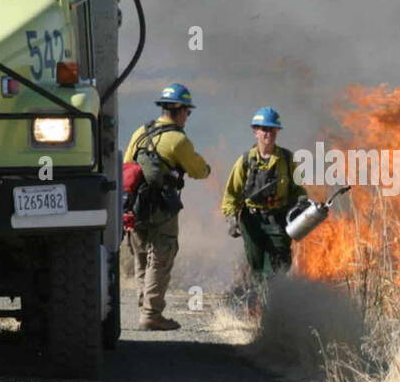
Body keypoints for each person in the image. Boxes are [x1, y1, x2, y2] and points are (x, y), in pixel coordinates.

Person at [125, 84, 211, 331]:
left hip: (136, 205)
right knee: (160, 258)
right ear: (180, 111)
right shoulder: (178, 139)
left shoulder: (141, 131)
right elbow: (198, 170)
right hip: (162, 207)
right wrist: (205, 170)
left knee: (141, 256)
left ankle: (145, 305)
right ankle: (151, 313)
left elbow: (127, 165)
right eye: (188, 112)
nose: (187, 117)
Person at [221, 107, 307, 288]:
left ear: (277, 131)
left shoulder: (287, 158)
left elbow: (298, 188)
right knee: (257, 266)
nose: (268, 133)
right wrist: (231, 219)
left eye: (272, 129)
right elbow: (231, 194)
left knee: (279, 265)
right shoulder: (245, 161)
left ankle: (274, 304)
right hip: (251, 221)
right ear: (255, 131)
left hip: (278, 219)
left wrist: (301, 202)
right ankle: (259, 305)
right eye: (264, 129)